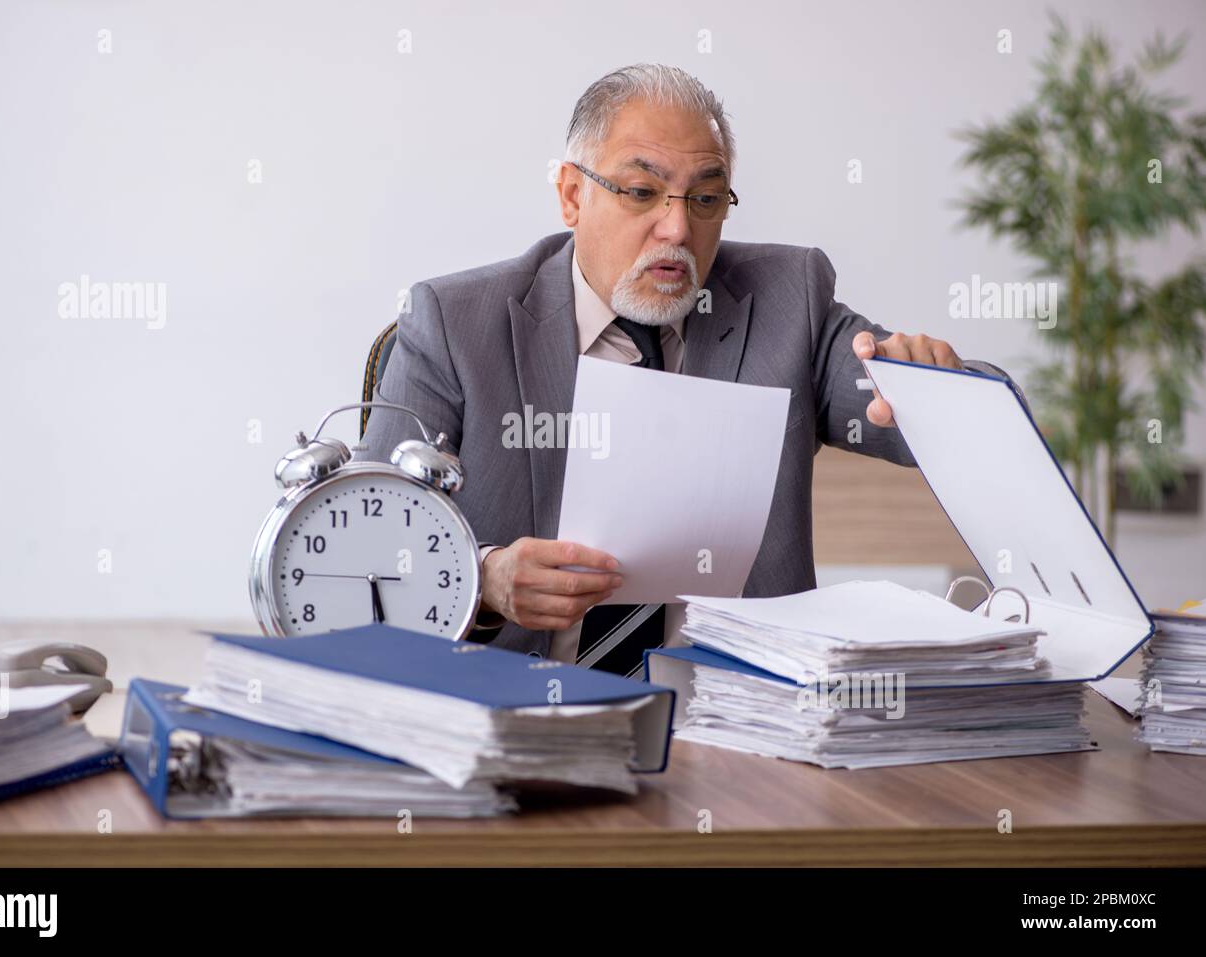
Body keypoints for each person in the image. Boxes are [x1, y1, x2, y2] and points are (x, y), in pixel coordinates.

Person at [360, 63, 1013, 672]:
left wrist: (941, 388)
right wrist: (488, 578)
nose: (676, 228)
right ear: (571, 195)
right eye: (643, 192)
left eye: (705, 199)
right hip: (520, 712)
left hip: (743, 726)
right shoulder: (455, 324)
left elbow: (959, 427)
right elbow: (377, 553)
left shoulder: (788, 303)